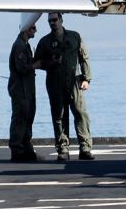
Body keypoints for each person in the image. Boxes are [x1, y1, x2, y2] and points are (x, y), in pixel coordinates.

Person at [34, 13, 94, 162]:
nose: (52, 23)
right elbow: (37, 63)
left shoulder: (75, 37)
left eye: (55, 20)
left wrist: (87, 79)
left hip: (74, 82)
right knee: (59, 116)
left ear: (61, 20)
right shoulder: (45, 42)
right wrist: (51, 62)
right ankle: (63, 149)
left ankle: (85, 148)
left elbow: (83, 57)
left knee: (81, 113)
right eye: (50, 21)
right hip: (55, 83)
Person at [7, 20, 42, 162]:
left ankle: (26, 148)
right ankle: (17, 150)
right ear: (26, 29)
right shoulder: (20, 46)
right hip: (21, 89)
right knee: (20, 118)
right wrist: (35, 65)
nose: (35, 30)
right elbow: (22, 68)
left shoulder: (25, 45)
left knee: (27, 117)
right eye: (33, 27)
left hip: (26, 89)